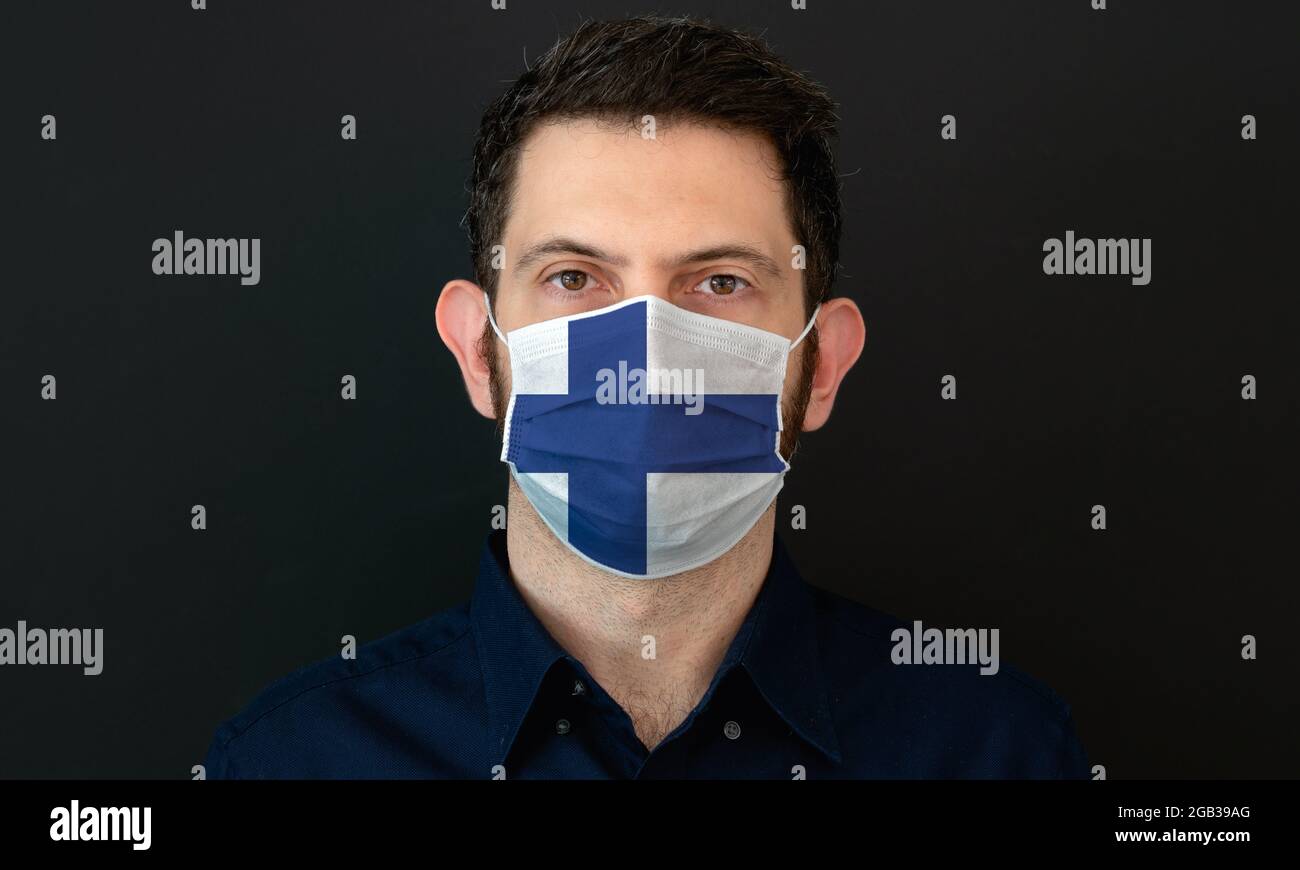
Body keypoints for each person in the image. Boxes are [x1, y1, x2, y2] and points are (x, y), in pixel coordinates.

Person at [202, 15, 1088, 779]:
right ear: (478, 350)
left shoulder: (999, 752)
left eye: (720, 283)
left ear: (822, 365)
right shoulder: (292, 762)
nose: (646, 352)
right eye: (575, 276)